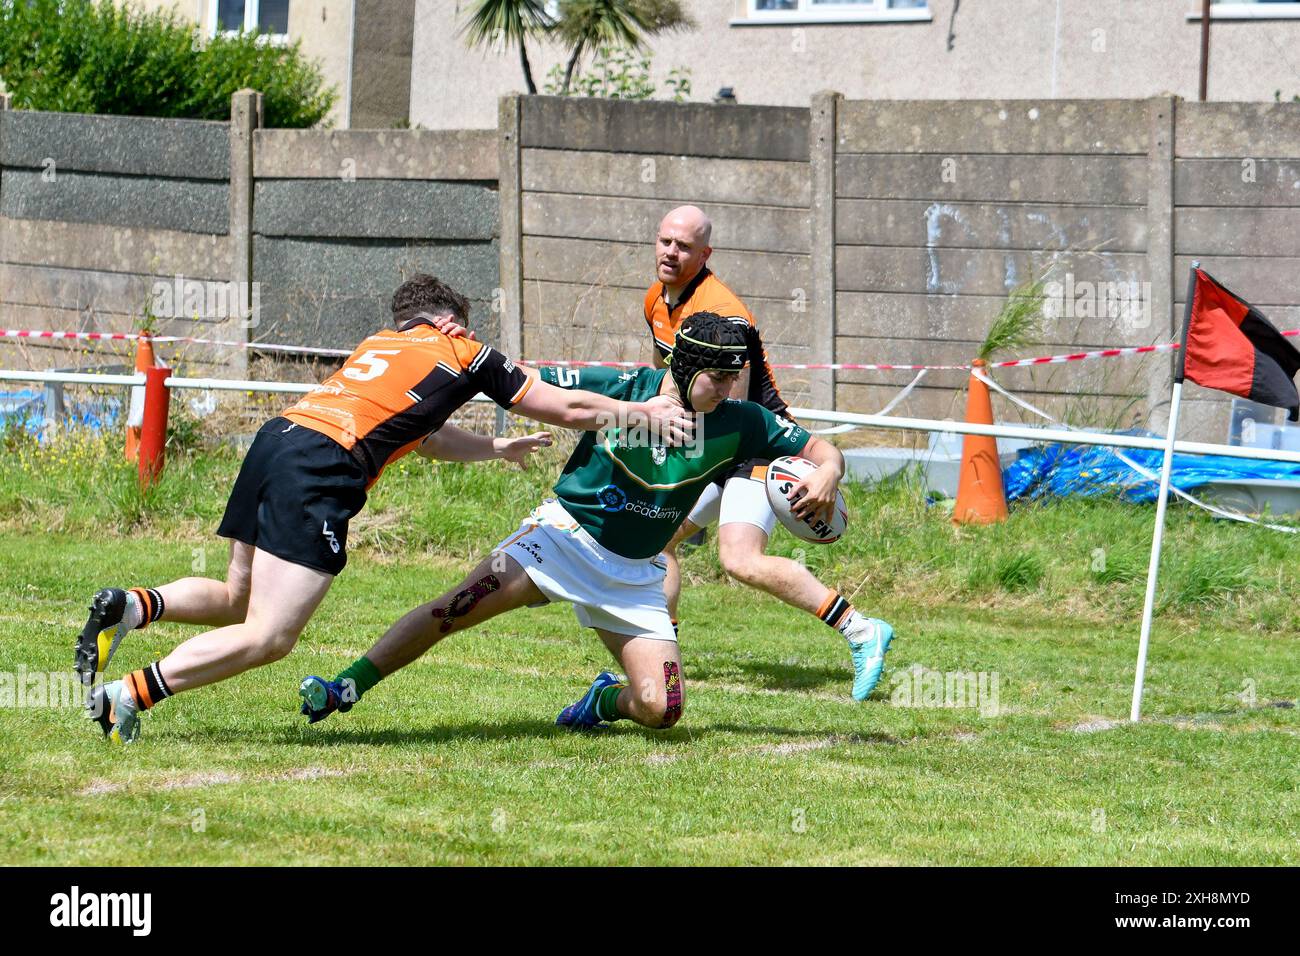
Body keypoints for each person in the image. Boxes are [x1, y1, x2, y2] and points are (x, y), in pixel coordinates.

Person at [75, 274, 690, 743]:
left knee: (239, 597)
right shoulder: (466, 352)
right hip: (323, 466)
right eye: (465, 325)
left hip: (278, 439)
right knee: (270, 635)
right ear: (451, 321)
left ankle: (132, 605)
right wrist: (642, 413)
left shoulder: (383, 344)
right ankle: (127, 696)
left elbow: (426, 438)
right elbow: (568, 409)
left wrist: (499, 447)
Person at [298, 313, 847, 731]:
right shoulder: (621, 386)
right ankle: (345, 686)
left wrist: (828, 474)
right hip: (559, 541)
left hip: (633, 577)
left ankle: (604, 699)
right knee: (454, 608)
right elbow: (521, 378)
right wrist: (458, 343)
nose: (729, 390)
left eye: (734, 379)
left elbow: (822, 448)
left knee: (664, 710)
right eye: (719, 379)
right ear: (685, 366)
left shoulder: (744, 422)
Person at [647, 205, 895, 701]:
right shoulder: (657, 297)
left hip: (750, 443)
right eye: (664, 241)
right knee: (657, 542)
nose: (671, 252)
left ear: (705, 254)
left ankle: (863, 632)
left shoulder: (725, 315)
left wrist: (829, 468)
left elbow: (729, 405)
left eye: (684, 246)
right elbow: (665, 373)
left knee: (740, 560)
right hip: (711, 441)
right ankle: (663, 655)